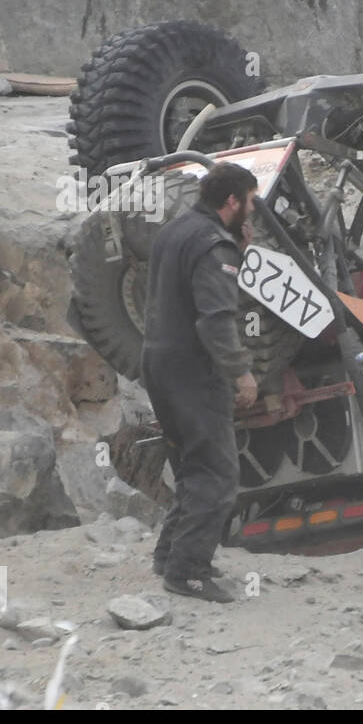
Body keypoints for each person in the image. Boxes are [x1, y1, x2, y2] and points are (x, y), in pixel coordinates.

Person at [141, 163, 259, 603]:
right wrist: (241, 373)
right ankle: (188, 572)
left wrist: (239, 251)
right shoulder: (215, 246)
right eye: (250, 199)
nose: (252, 208)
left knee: (192, 463)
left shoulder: (177, 230)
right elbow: (215, 319)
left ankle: (170, 555)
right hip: (193, 370)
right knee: (218, 471)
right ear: (232, 202)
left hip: (157, 362)